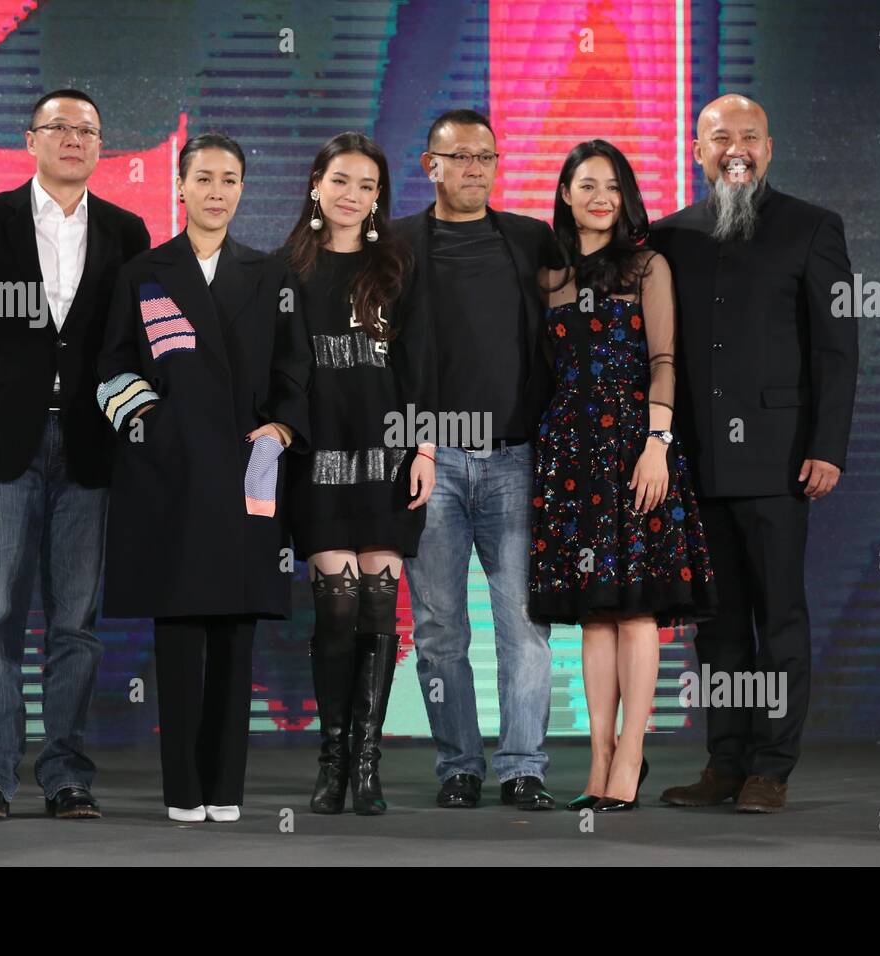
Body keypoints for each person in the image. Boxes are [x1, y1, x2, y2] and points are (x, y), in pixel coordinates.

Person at [0, 89, 150, 821]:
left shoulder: (127, 231)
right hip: (6, 445)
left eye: (87, 130)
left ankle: (65, 774)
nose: (73, 139)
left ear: (101, 147)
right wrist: (9, 395)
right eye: (59, 127)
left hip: (90, 443)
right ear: (30, 140)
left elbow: (135, 340)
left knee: (76, 621)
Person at [648, 94, 858, 813]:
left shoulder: (811, 227)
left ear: (769, 146)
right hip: (697, 464)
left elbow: (837, 349)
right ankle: (724, 764)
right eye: (718, 138)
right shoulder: (668, 236)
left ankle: (772, 768)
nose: (734, 149)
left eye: (748, 137)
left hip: (780, 462)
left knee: (781, 619)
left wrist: (827, 445)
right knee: (718, 625)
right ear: (697, 148)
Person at [95, 132, 308, 823]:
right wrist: (156, 428)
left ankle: (226, 790)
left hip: (247, 475)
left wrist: (280, 430)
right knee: (181, 634)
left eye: (231, 180)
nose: (218, 191)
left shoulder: (272, 274)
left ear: (244, 190)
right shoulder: (145, 273)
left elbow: (295, 375)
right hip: (172, 480)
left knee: (235, 637)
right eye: (205, 178)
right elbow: (113, 370)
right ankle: (184, 791)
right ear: (180, 187)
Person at [530, 141, 717, 812]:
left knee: (637, 608)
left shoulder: (647, 265)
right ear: (566, 194)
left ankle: (633, 752)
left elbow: (665, 359)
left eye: (612, 184)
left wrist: (657, 443)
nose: (600, 195)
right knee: (593, 616)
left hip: (636, 448)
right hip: (569, 454)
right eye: (587, 184)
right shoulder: (547, 276)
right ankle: (601, 756)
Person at [394, 109, 565, 810]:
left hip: (514, 457)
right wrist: (412, 441)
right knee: (438, 630)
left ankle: (523, 766)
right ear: (430, 164)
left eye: (485, 158)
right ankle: (458, 765)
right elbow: (384, 358)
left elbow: (568, 340)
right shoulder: (397, 244)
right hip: (431, 459)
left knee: (525, 623)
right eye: (458, 157)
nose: (473, 170)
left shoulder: (530, 240)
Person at [266, 132, 435, 815]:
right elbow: (275, 370)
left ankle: (367, 763)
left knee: (377, 602)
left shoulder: (398, 266)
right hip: (317, 454)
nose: (352, 194)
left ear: (377, 198)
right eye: (341, 180)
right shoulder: (284, 271)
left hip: (388, 453)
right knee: (335, 602)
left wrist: (425, 447)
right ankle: (331, 755)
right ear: (316, 184)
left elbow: (420, 361)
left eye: (367, 186)